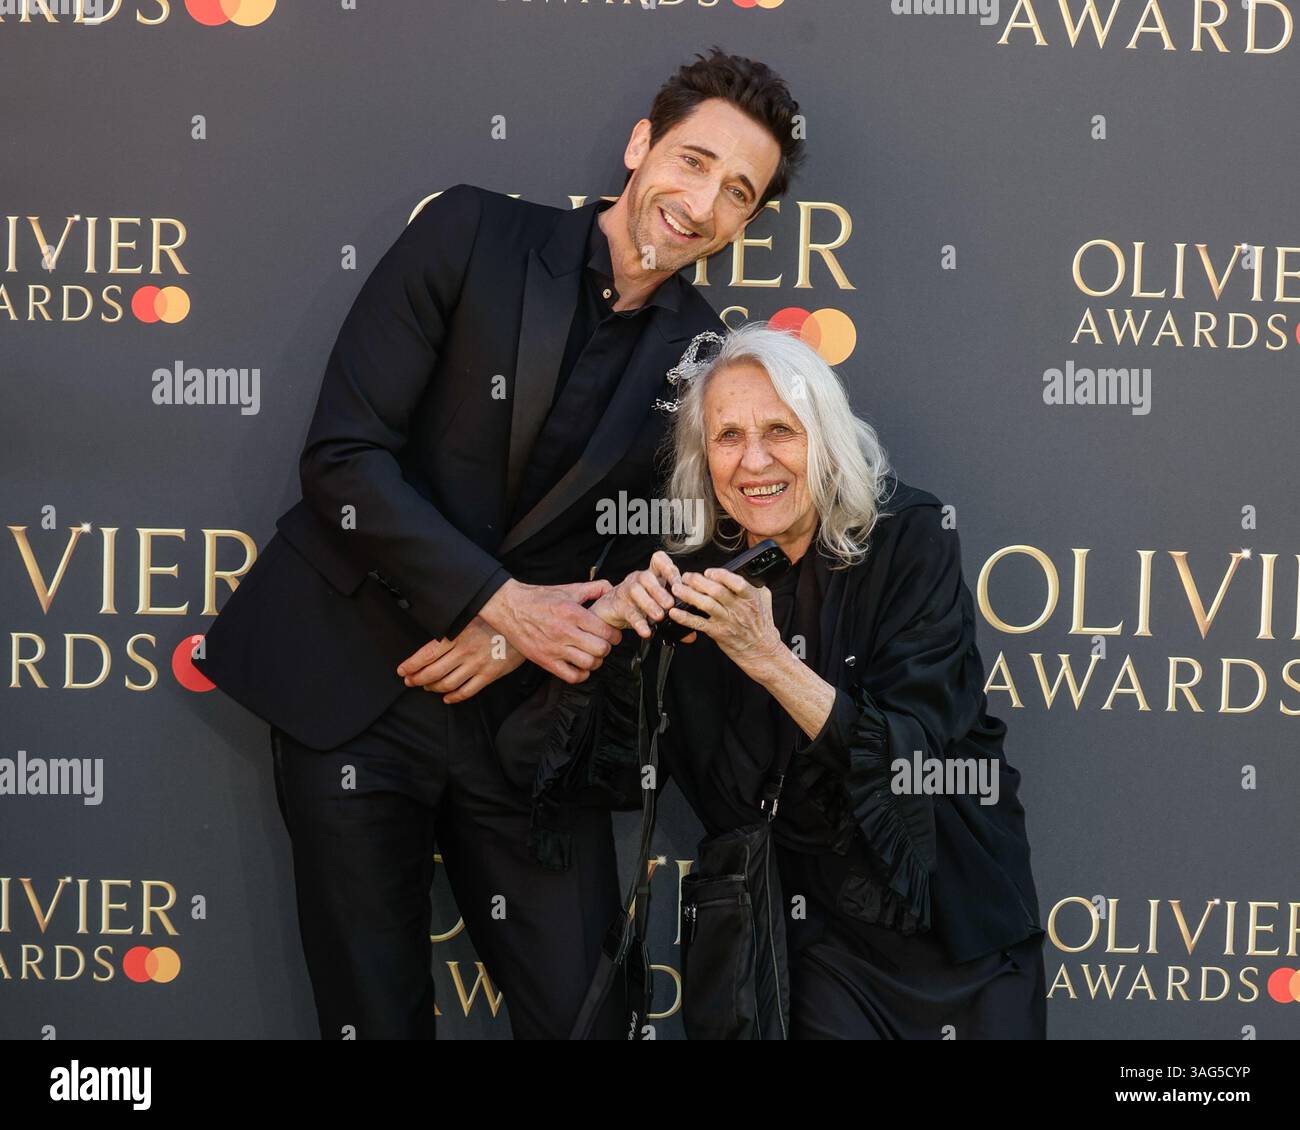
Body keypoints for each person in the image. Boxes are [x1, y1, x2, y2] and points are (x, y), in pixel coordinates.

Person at [192, 51, 806, 1039]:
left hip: (532, 729)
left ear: (744, 220)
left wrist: (519, 636)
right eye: (693, 161)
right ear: (641, 145)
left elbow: (669, 563)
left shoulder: (707, 360)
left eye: (736, 190)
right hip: (353, 688)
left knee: (587, 1016)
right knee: (374, 1017)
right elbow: (344, 460)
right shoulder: (471, 232)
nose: (701, 201)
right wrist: (495, 601)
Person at [543, 321, 1048, 1039]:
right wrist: (617, 639)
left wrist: (769, 658)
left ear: (825, 437)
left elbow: (911, 755)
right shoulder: (685, 572)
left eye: (779, 430)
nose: (754, 462)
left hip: (946, 918)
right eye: (727, 437)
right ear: (700, 456)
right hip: (794, 937)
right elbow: (611, 775)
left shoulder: (908, 539)